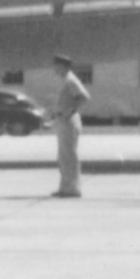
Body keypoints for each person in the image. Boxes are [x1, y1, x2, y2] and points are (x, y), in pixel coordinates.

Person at [51, 54, 89, 197]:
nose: (54, 68)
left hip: (69, 121)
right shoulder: (65, 80)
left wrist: (71, 111)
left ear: (63, 66)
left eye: (56, 65)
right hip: (62, 121)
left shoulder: (70, 80)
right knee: (63, 156)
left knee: (69, 156)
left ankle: (73, 189)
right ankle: (65, 187)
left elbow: (84, 97)